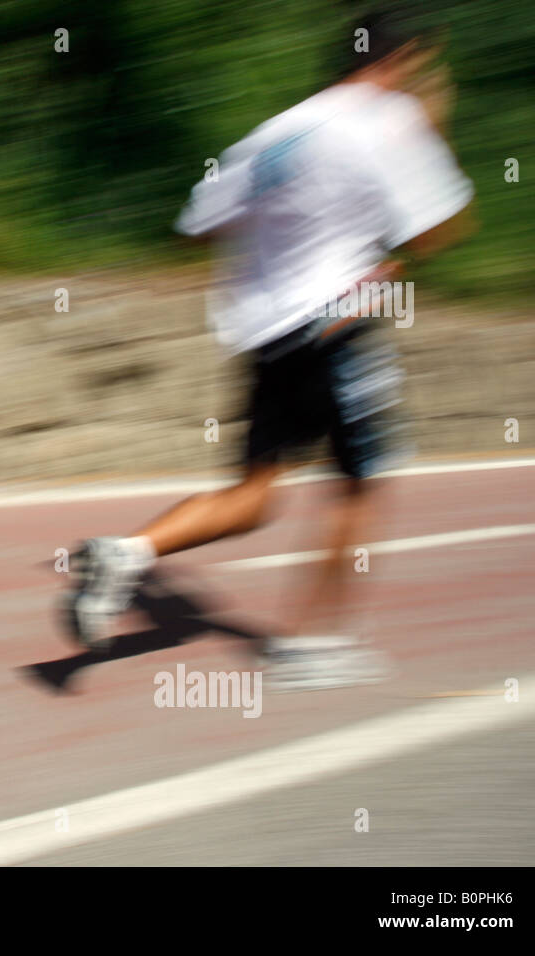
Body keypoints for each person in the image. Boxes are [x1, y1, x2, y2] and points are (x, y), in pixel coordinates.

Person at [62, 9, 474, 687]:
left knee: (255, 497)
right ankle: (313, 645)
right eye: (424, 65)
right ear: (399, 61)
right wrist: (433, 125)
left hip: (268, 336)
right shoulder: (390, 122)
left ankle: (125, 552)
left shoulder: (272, 134)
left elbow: (196, 228)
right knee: (359, 486)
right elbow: (440, 229)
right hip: (337, 328)